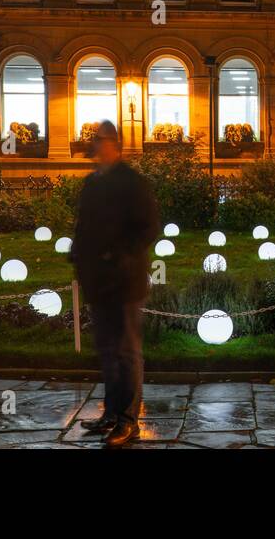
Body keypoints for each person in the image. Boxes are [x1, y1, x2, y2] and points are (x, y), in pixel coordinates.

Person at [68, 120, 159, 448]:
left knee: (126, 352)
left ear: (115, 144)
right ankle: (111, 413)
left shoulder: (133, 183)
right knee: (107, 352)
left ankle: (127, 420)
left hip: (124, 283)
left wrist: (120, 256)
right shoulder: (92, 183)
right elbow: (83, 225)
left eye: (101, 140)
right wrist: (77, 254)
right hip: (98, 282)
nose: (95, 145)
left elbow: (148, 228)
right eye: (94, 140)